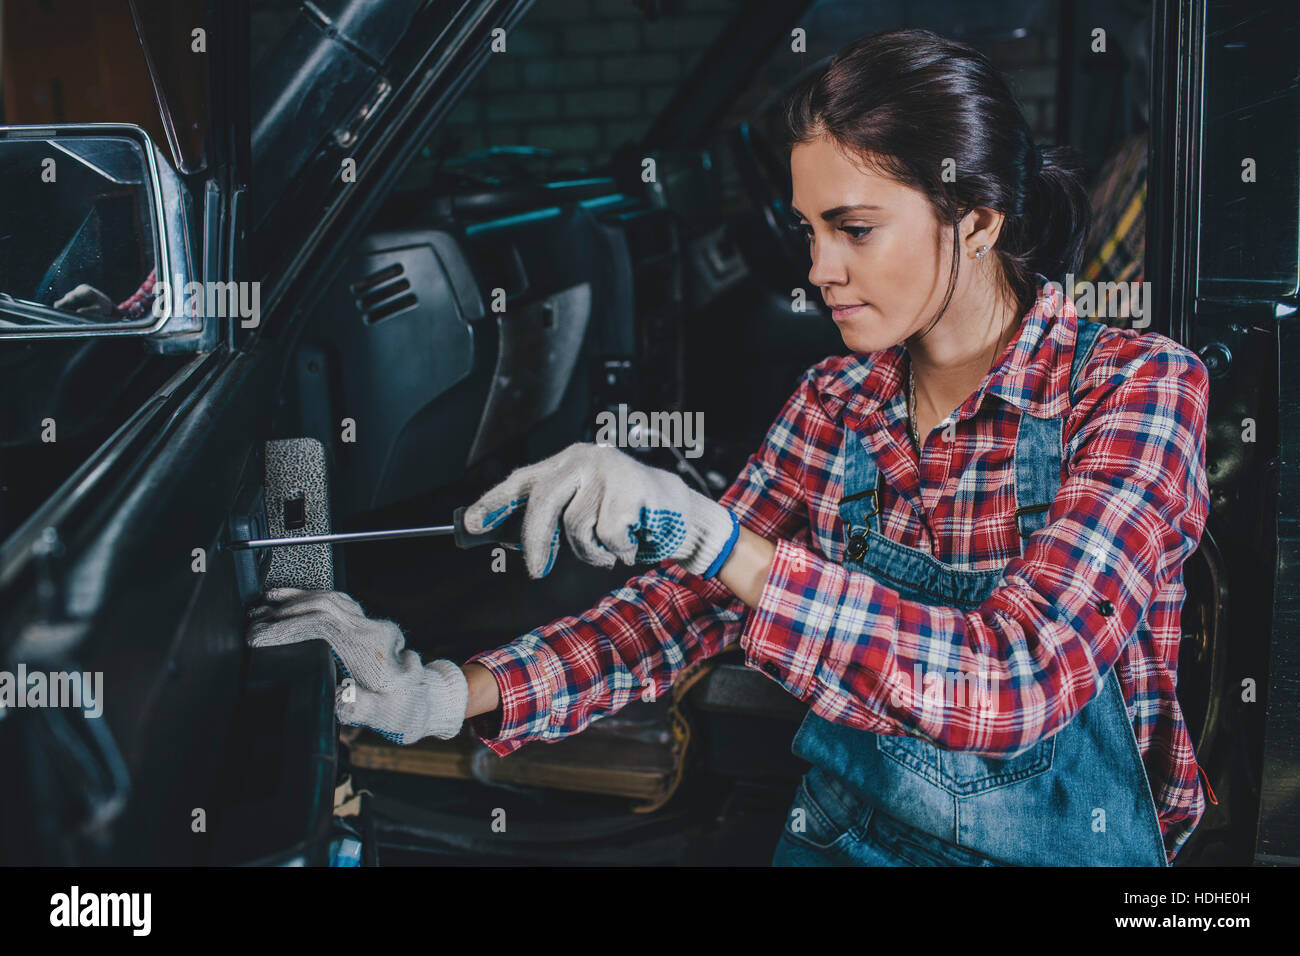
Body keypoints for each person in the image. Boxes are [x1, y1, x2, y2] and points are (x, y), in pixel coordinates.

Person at [247, 28, 1210, 867]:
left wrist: (711, 534)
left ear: (979, 221)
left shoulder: (1138, 391)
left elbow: (1014, 684)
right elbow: (683, 612)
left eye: (855, 229)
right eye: (807, 228)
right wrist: (443, 694)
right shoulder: (839, 400)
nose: (817, 269)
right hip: (847, 838)